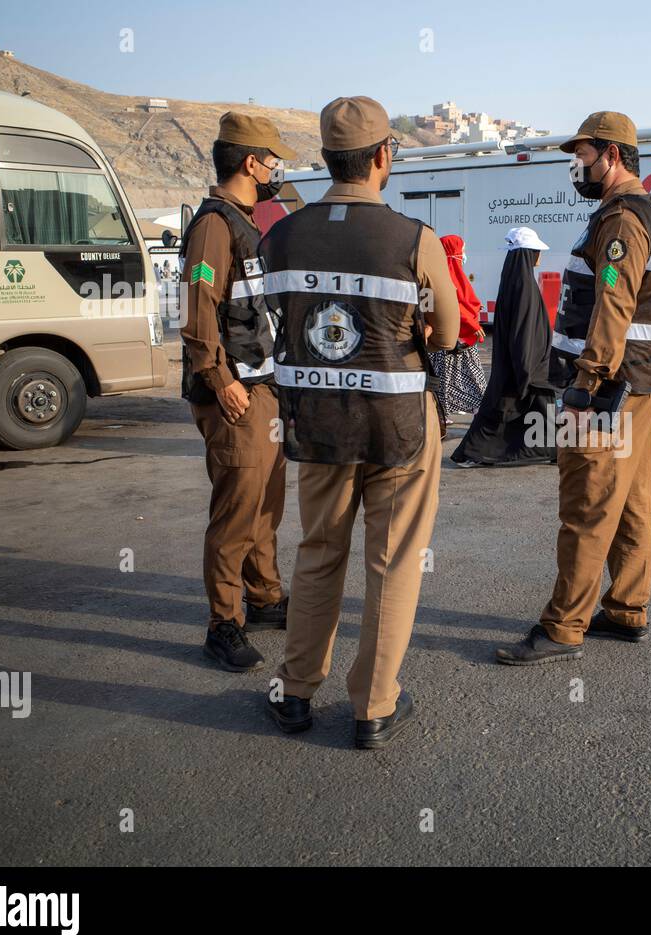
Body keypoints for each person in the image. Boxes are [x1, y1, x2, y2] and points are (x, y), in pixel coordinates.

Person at [259, 95, 459, 748]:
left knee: (318, 556)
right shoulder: (413, 239)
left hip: (317, 426)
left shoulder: (279, 238)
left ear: (325, 158)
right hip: (398, 429)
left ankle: (294, 695)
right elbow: (449, 334)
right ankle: (373, 707)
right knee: (393, 564)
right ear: (382, 157)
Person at [496, 110, 651, 665]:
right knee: (630, 503)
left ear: (611, 155)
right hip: (641, 385)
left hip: (608, 390)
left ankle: (562, 628)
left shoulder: (620, 221)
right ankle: (625, 609)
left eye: (582, 157)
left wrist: (584, 384)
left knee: (587, 506)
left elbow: (613, 309)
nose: (577, 167)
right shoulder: (640, 213)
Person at [179, 112, 294, 671]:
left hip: (263, 386)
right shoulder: (214, 226)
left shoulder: (245, 221)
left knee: (266, 504)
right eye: (273, 160)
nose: (276, 170)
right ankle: (223, 623)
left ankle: (266, 599)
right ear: (251, 162)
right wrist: (218, 378)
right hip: (235, 393)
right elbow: (195, 309)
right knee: (236, 513)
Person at [451, 226, 557, 468]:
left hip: (523, 361)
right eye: (537, 251)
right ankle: (473, 451)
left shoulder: (515, 281)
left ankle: (551, 450)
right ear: (529, 254)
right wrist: (526, 367)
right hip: (527, 362)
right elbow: (524, 330)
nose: (540, 256)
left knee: (535, 407)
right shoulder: (525, 287)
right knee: (503, 408)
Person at [429, 235, 487, 426]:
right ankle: (478, 409)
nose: (463, 254)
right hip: (454, 337)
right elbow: (453, 306)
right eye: (462, 249)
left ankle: (448, 413)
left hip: (455, 338)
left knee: (448, 378)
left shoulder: (447, 272)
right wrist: (473, 324)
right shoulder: (448, 275)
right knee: (468, 376)